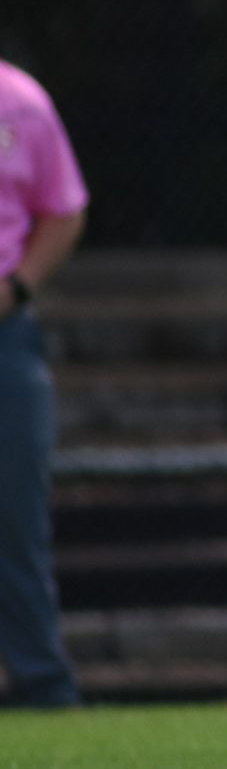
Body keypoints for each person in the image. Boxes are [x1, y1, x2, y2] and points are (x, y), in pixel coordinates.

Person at [0, 58, 89, 710]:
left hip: (6, 335)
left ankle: (43, 687)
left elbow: (63, 211)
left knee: (15, 515)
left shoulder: (20, 101)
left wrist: (16, 288)